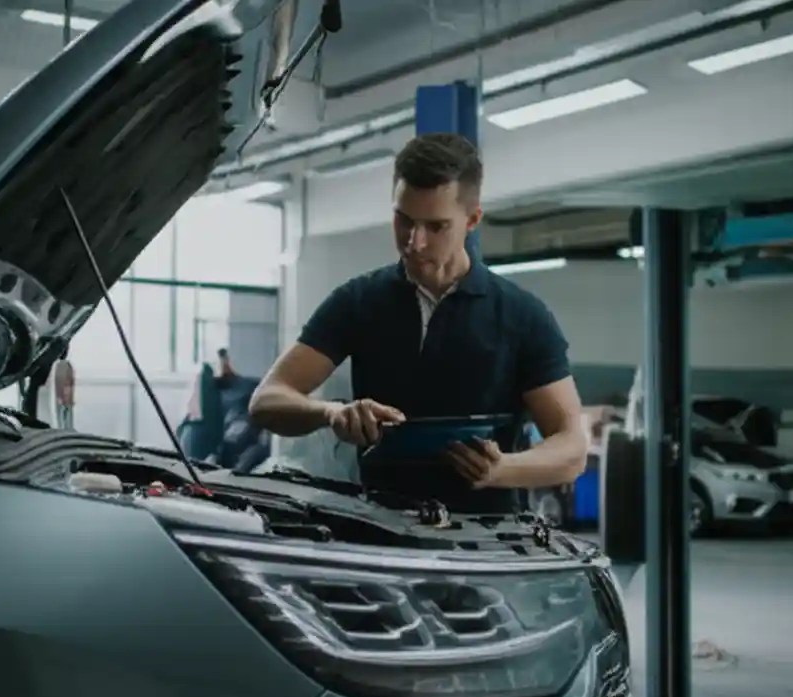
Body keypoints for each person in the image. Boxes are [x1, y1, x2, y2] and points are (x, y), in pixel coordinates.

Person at [248, 132, 589, 512]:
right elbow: (267, 400)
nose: (415, 242)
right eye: (404, 220)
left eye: (436, 226)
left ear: (472, 219)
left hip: (485, 547)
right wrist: (331, 413)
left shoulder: (522, 316)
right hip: (379, 532)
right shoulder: (358, 302)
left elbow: (572, 448)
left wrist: (503, 469)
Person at [54, 347, 76, 430]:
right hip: (64, 398)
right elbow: (69, 383)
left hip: (60, 397)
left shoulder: (57, 366)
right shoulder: (66, 365)